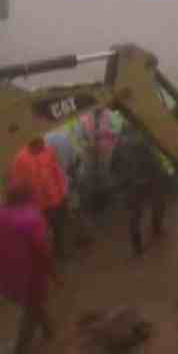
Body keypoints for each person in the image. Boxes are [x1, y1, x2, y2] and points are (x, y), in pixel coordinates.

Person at [1, 181, 57, 354]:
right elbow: (42, 249)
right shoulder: (32, 218)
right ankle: (20, 347)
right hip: (30, 272)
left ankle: (49, 330)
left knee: (32, 303)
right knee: (31, 308)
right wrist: (52, 271)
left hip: (5, 271)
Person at [109, 126, 170, 256]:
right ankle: (156, 228)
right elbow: (153, 161)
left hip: (130, 185)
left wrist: (120, 182)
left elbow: (112, 167)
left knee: (135, 215)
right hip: (145, 181)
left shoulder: (118, 146)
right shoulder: (141, 141)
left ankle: (137, 246)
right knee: (157, 203)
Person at [8, 137, 68, 259]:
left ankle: (60, 251)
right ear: (32, 143)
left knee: (58, 226)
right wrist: (24, 206)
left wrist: (63, 192)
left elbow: (56, 171)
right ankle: (43, 257)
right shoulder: (20, 159)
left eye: (43, 143)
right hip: (36, 205)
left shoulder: (48, 151)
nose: (43, 145)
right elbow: (18, 184)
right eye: (40, 144)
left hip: (54, 199)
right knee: (40, 233)